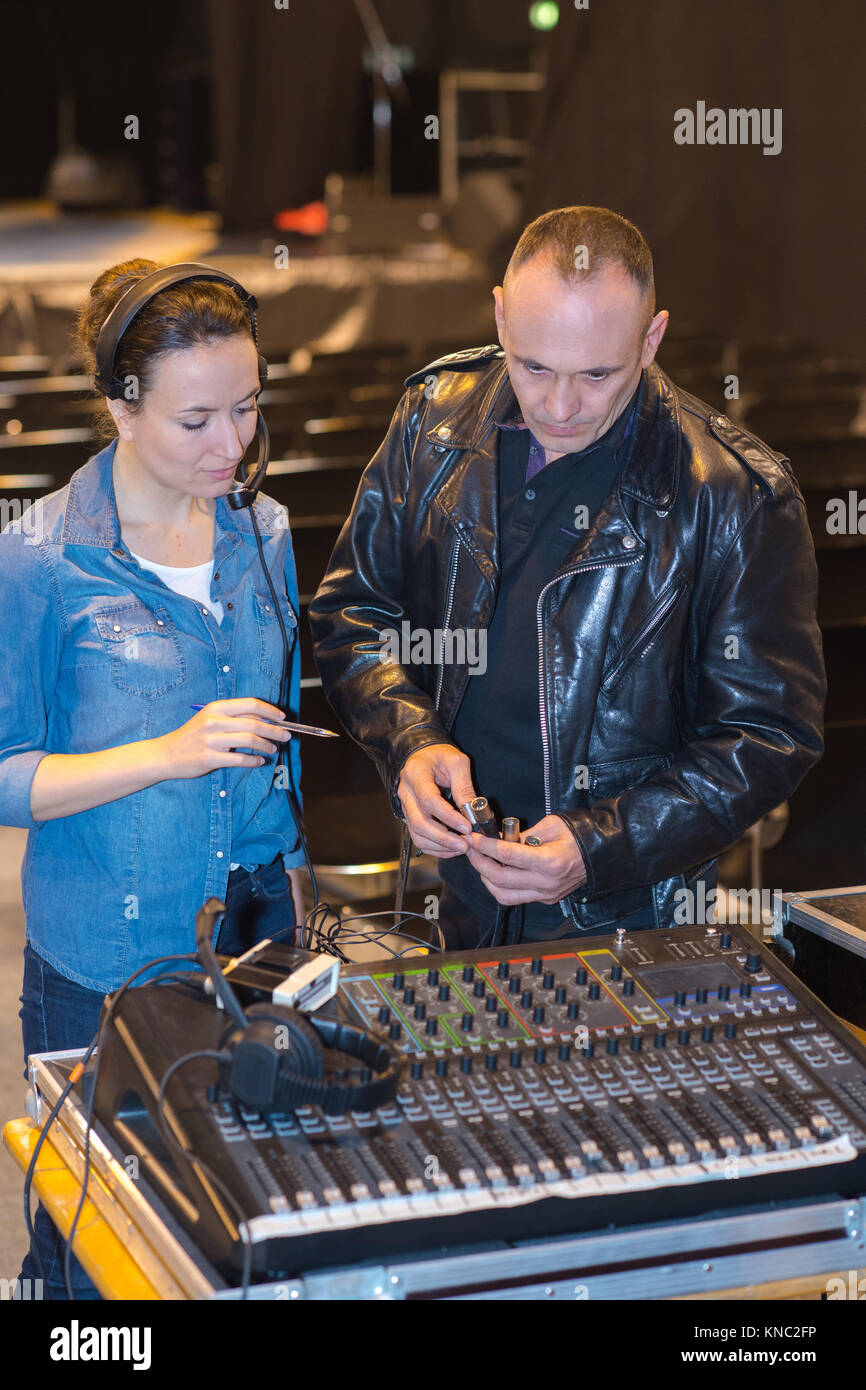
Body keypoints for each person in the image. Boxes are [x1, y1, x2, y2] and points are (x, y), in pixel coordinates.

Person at [309, 206, 825, 949]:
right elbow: (354, 613)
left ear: (651, 340)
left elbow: (768, 733)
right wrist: (410, 742)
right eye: (533, 365)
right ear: (499, 317)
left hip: (631, 912)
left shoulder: (736, 494)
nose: (558, 406)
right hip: (456, 887)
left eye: (596, 374)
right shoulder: (431, 419)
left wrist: (599, 846)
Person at [1, 260, 305, 1298]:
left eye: (249, 409)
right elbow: (4, 779)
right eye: (198, 421)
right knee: (93, 1254)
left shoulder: (262, 531)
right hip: (104, 964)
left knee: (238, 1228)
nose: (233, 447)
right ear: (119, 410)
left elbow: (279, 734)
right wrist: (170, 750)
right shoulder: (39, 559)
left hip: (258, 940)